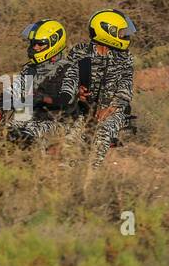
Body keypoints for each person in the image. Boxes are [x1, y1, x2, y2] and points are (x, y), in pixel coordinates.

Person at [57, 10, 136, 167]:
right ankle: (66, 174)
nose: (125, 36)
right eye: (121, 33)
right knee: (69, 139)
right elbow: (64, 78)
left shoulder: (125, 58)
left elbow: (126, 86)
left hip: (113, 110)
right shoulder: (78, 52)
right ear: (106, 31)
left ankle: (89, 174)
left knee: (102, 133)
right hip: (81, 108)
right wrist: (76, 92)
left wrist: (111, 108)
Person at [2, 19, 77, 145]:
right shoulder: (30, 68)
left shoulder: (69, 69)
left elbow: (66, 99)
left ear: (53, 44)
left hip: (61, 123)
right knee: (5, 131)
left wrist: (43, 98)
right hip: (32, 117)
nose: (34, 48)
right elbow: (13, 91)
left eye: (40, 44)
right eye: (33, 44)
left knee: (27, 135)